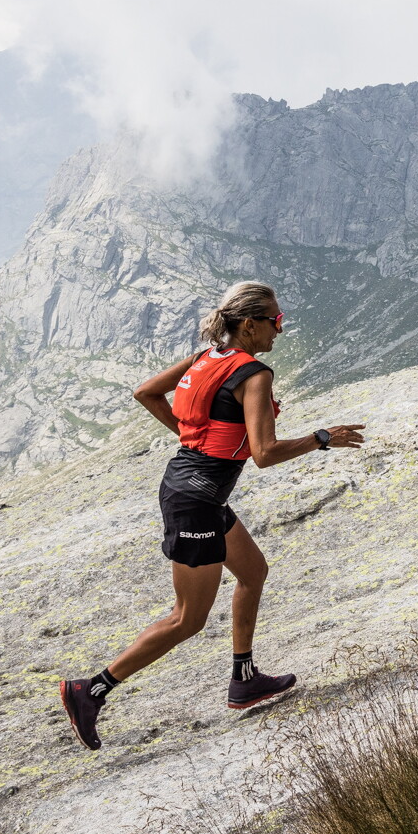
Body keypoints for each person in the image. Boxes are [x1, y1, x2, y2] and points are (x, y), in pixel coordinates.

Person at [59, 281, 365, 750]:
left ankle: (244, 678)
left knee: (253, 572)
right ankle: (91, 690)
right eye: (276, 322)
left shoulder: (207, 357)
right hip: (195, 502)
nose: (279, 331)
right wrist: (321, 439)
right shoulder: (254, 374)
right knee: (188, 618)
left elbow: (147, 393)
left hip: (196, 492)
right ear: (250, 324)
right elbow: (264, 453)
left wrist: (194, 439)